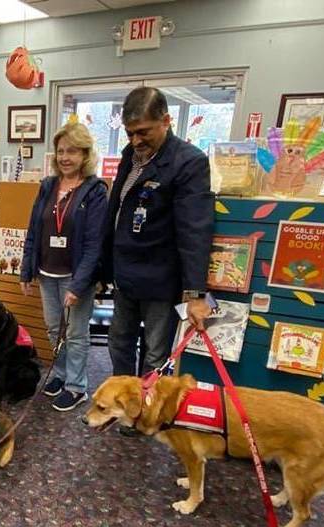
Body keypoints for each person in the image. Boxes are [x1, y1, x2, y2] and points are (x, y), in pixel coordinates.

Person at [102, 86, 216, 380]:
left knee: (155, 352)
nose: (136, 140)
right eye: (130, 133)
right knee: (119, 343)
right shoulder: (131, 154)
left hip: (160, 279)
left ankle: (147, 413)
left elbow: (195, 230)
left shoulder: (189, 161)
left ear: (166, 121)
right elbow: (117, 211)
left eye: (143, 132)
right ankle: (123, 402)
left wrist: (194, 293)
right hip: (125, 274)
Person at [19, 122, 108, 412]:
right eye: (60, 151)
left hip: (75, 276)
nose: (65, 157)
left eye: (72, 151)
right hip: (46, 272)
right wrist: (26, 269)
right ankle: (60, 374)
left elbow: (95, 244)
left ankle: (77, 386)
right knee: (53, 328)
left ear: (85, 154)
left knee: (76, 334)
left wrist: (79, 284)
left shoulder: (95, 191)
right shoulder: (47, 186)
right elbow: (34, 229)